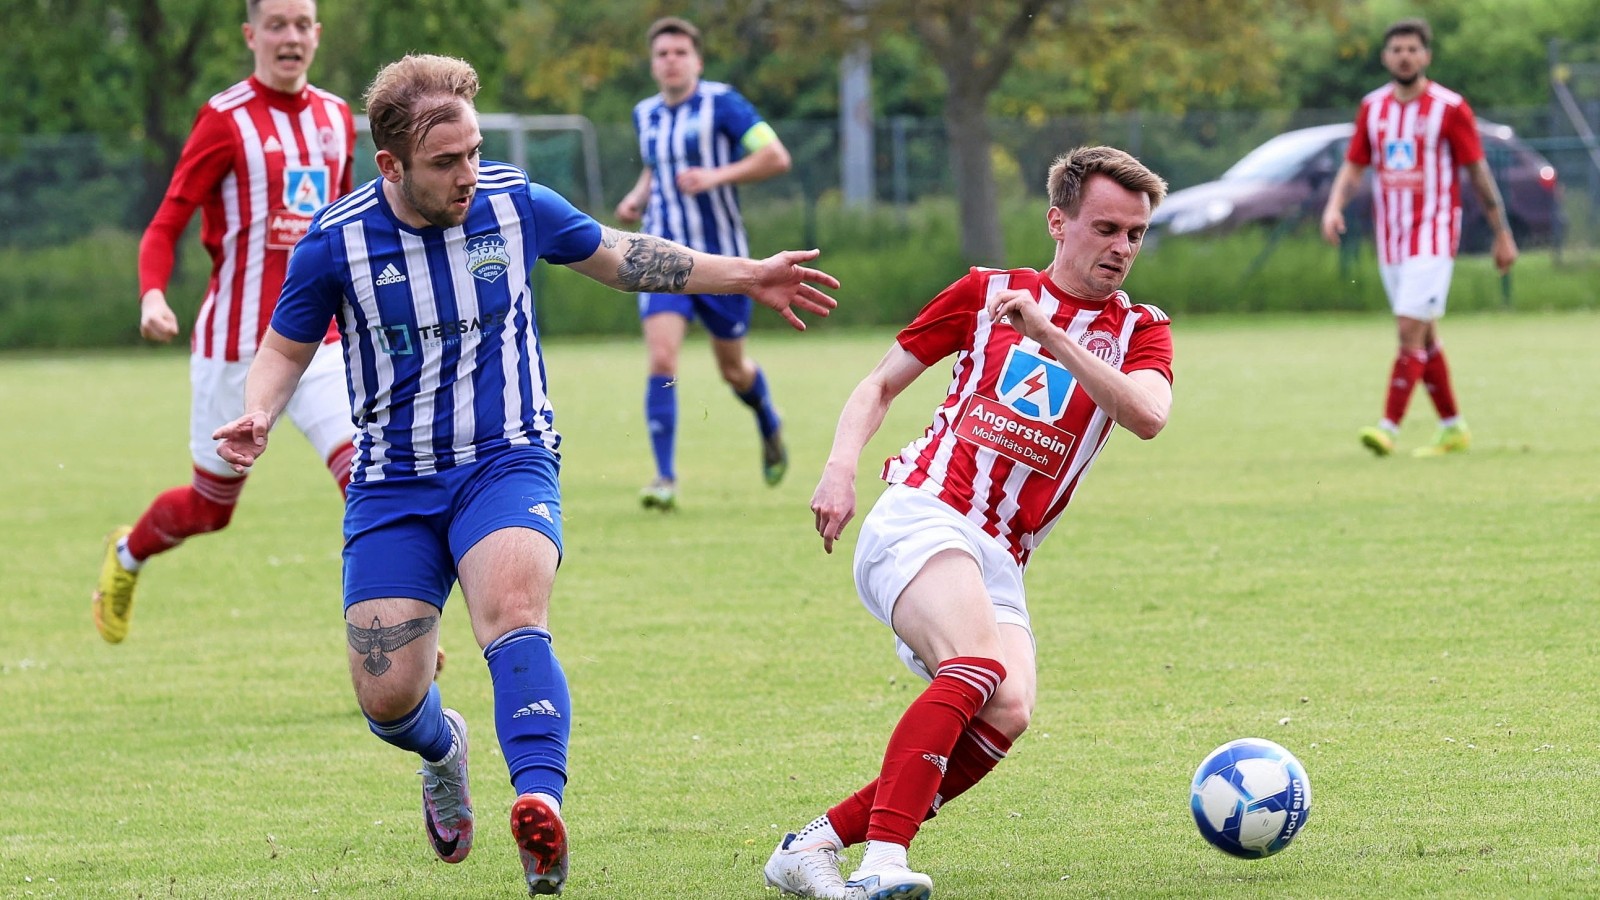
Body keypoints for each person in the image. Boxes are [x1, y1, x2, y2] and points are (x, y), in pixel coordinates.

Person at [212, 54, 836, 897]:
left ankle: (539, 805)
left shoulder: (513, 203)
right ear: (390, 165)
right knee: (388, 696)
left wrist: (748, 273)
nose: (468, 174)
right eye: (445, 162)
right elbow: (284, 352)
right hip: (393, 484)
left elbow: (625, 255)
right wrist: (257, 411)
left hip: (508, 458)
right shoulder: (337, 243)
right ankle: (444, 750)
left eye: (472, 151)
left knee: (512, 611)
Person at [764, 146, 1173, 900]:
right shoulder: (986, 291)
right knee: (977, 665)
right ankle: (884, 861)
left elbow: (1146, 414)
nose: (1122, 248)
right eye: (1107, 228)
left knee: (1009, 709)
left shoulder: (1142, 328)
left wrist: (1052, 336)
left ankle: (812, 844)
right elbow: (880, 382)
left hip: (1003, 555)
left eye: (1137, 234)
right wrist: (838, 466)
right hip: (925, 512)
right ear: (1059, 221)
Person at [92, 0, 357, 644]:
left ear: (317, 35)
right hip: (235, 347)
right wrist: (152, 294)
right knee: (211, 510)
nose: (290, 38)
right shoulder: (224, 119)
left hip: (317, 344)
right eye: (277, 26)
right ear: (252, 35)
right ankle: (127, 555)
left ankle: (394, 632)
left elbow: (348, 228)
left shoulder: (336, 118)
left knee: (367, 482)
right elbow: (166, 221)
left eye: (302, 26)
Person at [614, 16, 795, 511]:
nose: (670, 61)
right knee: (662, 359)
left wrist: (717, 176)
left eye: (679, 53)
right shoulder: (645, 114)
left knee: (733, 370)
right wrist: (636, 198)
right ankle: (665, 478)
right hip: (660, 261)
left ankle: (767, 418)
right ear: (653, 64)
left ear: (697, 60)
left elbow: (775, 155)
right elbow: (657, 167)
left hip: (721, 264)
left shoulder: (724, 105)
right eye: (662, 54)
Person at [1319, 17, 1517, 459]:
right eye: (1396, 49)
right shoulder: (1373, 108)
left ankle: (1388, 428)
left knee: (1408, 327)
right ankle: (1453, 427)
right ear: (1386, 57)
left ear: (1426, 56)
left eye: (1413, 49)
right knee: (1424, 337)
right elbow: (1354, 166)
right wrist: (1333, 207)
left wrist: (1501, 232)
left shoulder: (1450, 108)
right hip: (1392, 239)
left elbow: (1478, 172)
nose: (1404, 56)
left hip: (1434, 231)